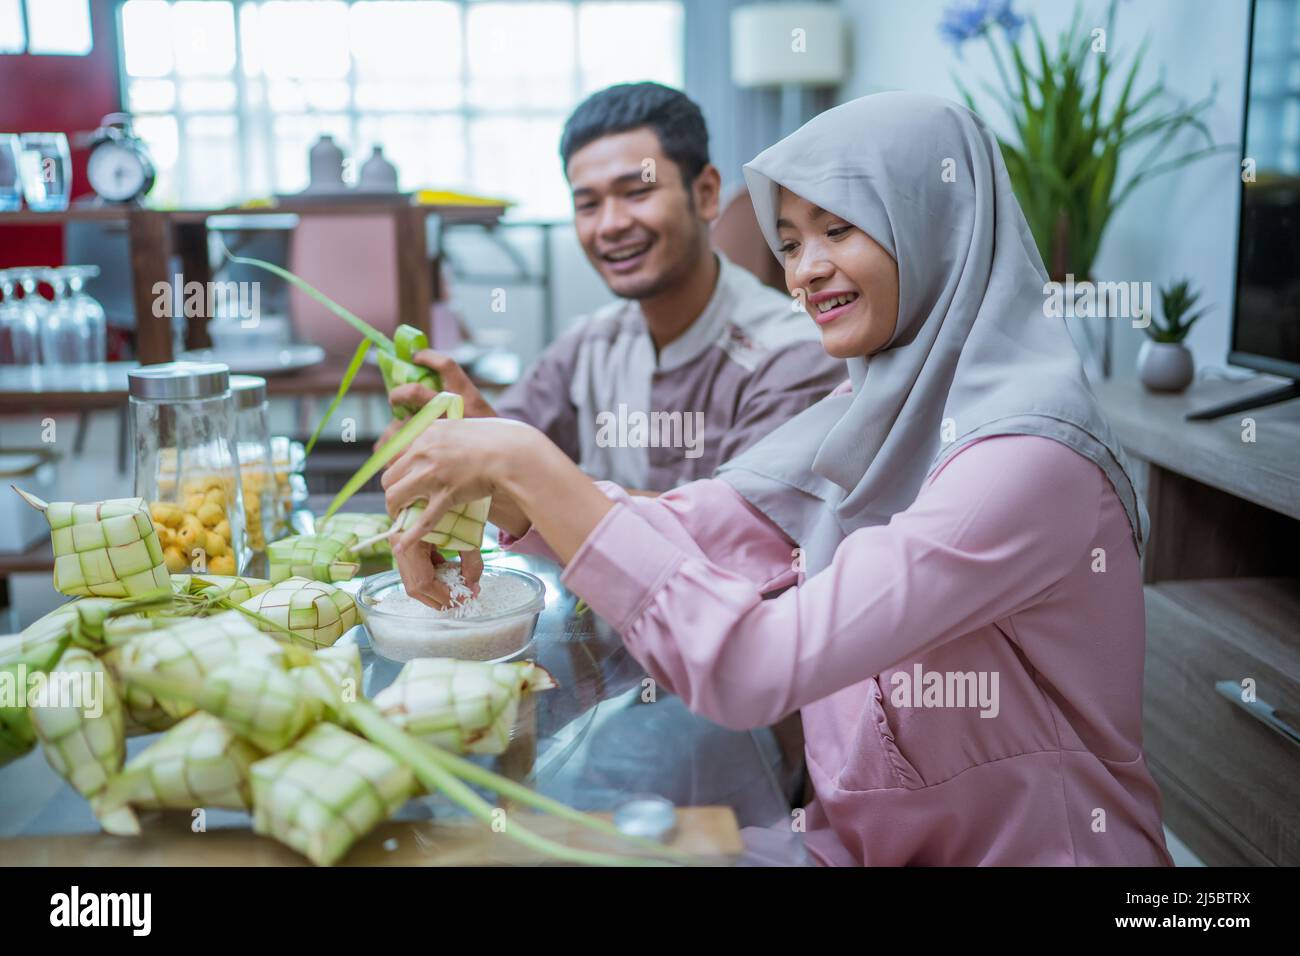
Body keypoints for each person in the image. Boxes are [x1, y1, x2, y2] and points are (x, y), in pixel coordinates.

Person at [380, 92, 1173, 865]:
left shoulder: (1030, 460)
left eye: (839, 228)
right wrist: (513, 491)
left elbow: (755, 665)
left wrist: (523, 457)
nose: (806, 272)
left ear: (939, 224)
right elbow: (702, 529)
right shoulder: (869, 407)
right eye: (790, 243)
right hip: (854, 843)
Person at [383, 82, 843, 490]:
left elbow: (736, 533)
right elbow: (499, 441)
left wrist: (510, 463)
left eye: (637, 192)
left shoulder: (791, 355)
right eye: (587, 204)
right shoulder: (590, 343)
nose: (610, 225)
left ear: (704, 194)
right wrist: (454, 433)